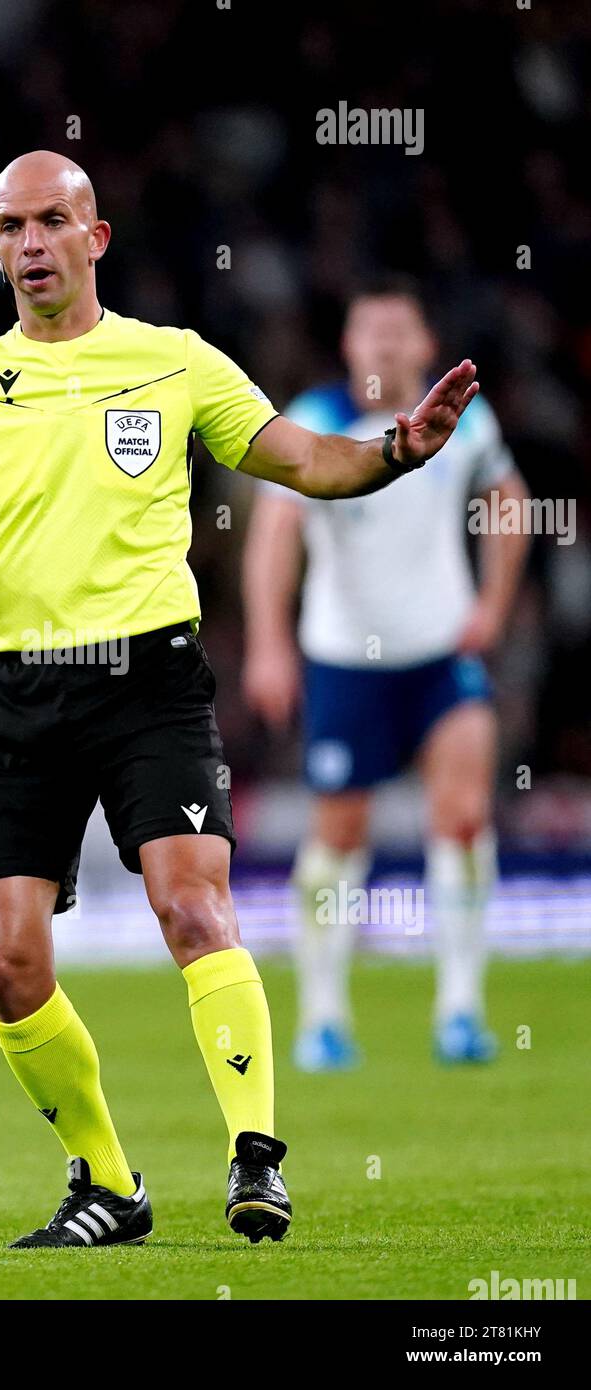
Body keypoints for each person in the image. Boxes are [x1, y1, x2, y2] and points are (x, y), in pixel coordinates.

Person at [0, 153, 480, 1248]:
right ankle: (108, 1184)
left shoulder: (171, 362)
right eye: (11, 226)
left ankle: (255, 1157)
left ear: (94, 238)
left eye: (52, 221)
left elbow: (304, 461)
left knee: (191, 908)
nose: (30, 244)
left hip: (149, 680)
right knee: (4, 962)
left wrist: (396, 451)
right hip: (19, 695)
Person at [242, 278, 529, 1072]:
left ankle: (460, 1011)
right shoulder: (321, 421)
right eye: (368, 331)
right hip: (343, 661)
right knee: (339, 836)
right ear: (347, 346)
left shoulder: (460, 420)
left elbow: (508, 498)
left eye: (397, 331)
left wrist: (492, 607)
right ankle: (324, 1018)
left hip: (442, 655)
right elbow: (274, 532)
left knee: (465, 815)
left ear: (424, 344)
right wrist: (268, 643)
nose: (383, 345)